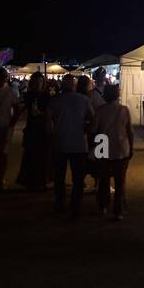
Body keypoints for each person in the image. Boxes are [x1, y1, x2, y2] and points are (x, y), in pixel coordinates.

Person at [48, 73, 95, 217]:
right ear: (74, 86)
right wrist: (87, 129)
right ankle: (75, 206)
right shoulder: (84, 100)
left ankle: (60, 203)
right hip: (78, 144)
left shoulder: (55, 100)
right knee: (78, 178)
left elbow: (47, 122)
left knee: (59, 177)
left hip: (60, 143)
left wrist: (51, 136)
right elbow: (93, 119)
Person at [91, 83, 134, 220]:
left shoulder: (99, 110)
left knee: (103, 180)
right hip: (121, 148)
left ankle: (103, 206)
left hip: (103, 147)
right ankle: (118, 211)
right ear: (117, 94)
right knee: (120, 182)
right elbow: (130, 131)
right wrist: (131, 147)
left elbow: (94, 130)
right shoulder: (124, 110)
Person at [16, 74, 51, 191]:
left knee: (44, 156)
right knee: (30, 156)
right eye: (36, 82)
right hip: (32, 128)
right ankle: (30, 181)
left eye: (40, 82)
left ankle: (43, 181)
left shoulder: (47, 96)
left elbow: (51, 112)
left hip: (43, 128)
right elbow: (22, 109)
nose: (38, 84)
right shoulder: (28, 96)